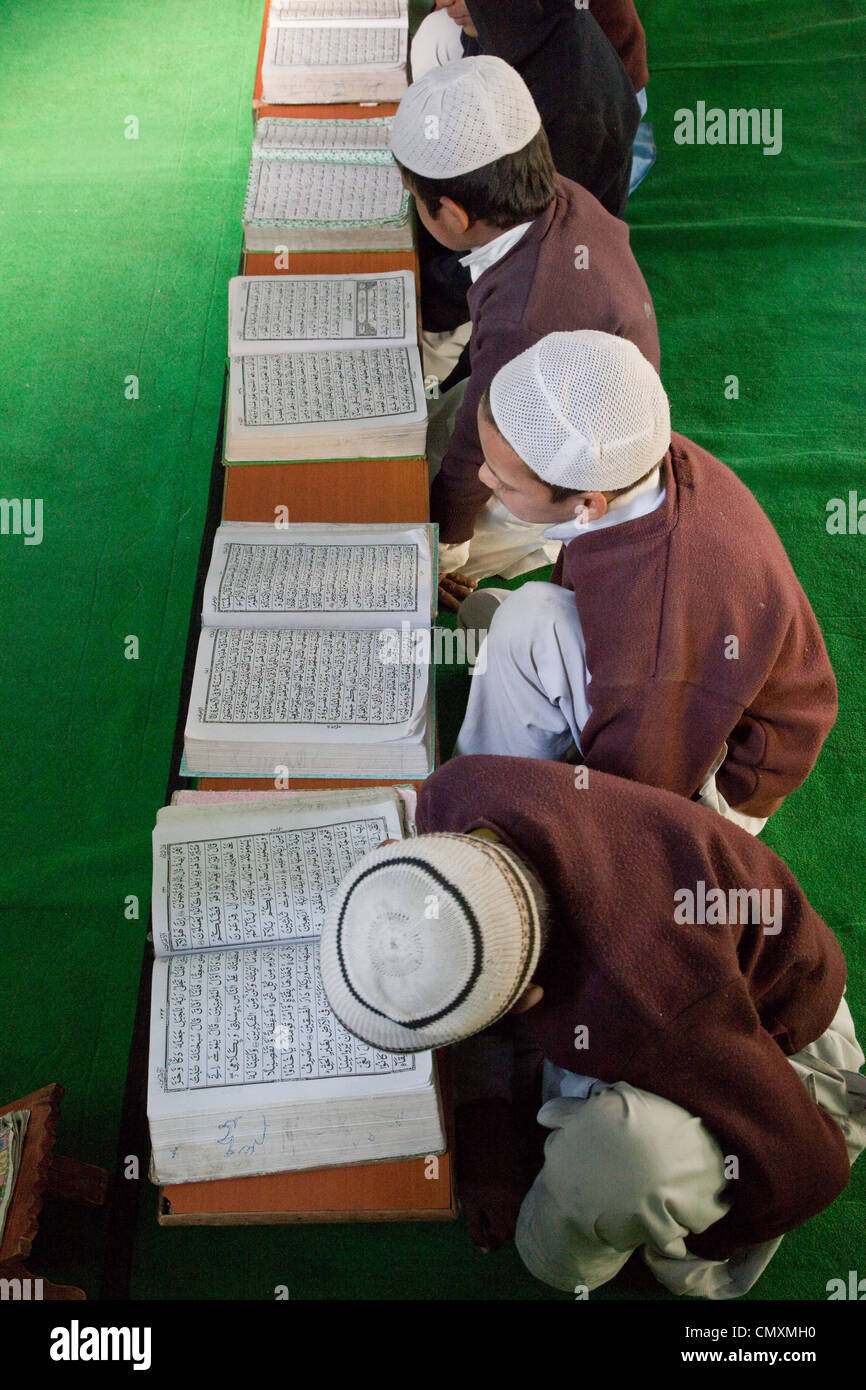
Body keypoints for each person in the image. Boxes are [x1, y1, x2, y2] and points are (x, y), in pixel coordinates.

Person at [319, 755, 866, 1298]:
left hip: (778, 1050)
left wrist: (714, 1240)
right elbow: (471, 941)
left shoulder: (648, 1008)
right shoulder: (452, 793)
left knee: (609, 1169)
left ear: (527, 1004)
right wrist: (485, 1122)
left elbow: (809, 1170)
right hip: (678, 981)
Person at [453, 331, 837, 832]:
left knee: (524, 624)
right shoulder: (635, 453)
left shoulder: (654, 635)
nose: (484, 477)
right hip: (678, 685)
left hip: (706, 770)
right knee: (501, 618)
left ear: (588, 506)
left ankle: (482, 797)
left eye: (504, 482)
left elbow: (638, 794)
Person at [389, 57, 660, 590]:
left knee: (400, 523)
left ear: (454, 215)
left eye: (415, 202)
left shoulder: (524, 315)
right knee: (420, 438)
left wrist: (445, 546)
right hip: (552, 404)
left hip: (561, 470)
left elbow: (475, 445)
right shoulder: (559, 194)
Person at [411, 0, 655, 197]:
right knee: (438, 32)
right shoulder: (498, 17)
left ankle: (633, 151)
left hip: (596, 94)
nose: (442, 3)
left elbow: (536, 213)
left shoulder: (574, 94)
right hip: (527, 30)